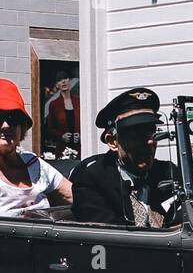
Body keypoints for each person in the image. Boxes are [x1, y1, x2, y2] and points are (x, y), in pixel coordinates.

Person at [0, 78, 72, 218]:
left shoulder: (34, 164)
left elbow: (78, 197)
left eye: (13, 118)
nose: (5, 126)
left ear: (22, 126)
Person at [70, 88, 179, 227]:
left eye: (152, 131)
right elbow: (111, 239)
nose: (150, 141)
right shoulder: (92, 178)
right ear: (112, 142)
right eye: (137, 134)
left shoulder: (167, 172)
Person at [43, 76, 80, 158]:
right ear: (57, 85)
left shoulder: (79, 102)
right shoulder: (54, 104)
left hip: (80, 149)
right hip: (62, 150)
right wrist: (61, 136)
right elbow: (50, 129)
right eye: (59, 80)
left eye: (66, 78)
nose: (63, 81)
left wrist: (81, 134)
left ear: (69, 81)